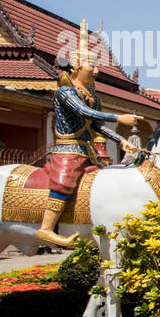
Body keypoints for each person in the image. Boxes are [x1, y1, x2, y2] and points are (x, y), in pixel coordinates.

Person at [36, 21, 141, 247]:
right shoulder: (65, 92)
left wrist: (122, 141)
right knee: (64, 182)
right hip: (68, 150)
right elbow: (83, 111)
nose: (96, 70)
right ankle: (45, 228)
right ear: (75, 67)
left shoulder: (91, 95)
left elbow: (96, 125)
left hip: (87, 152)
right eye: (91, 66)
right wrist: (118, 118)